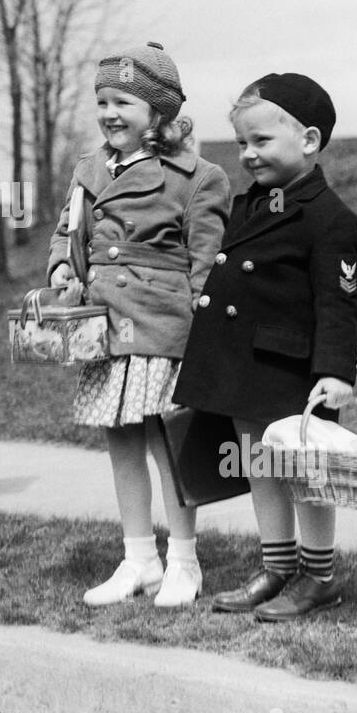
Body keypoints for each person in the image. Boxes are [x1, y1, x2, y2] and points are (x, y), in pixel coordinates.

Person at [172, 73, 357, 621]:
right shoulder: (250, 205)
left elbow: (339, 301)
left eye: (261, 141)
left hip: (295, 374)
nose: (248, 154)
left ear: (308, 140)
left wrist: (337, 371)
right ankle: (277, 568)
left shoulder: (329, 218)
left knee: (305, 475)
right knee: (260, 467)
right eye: (241, 144)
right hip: (243, 367)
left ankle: (319, 577)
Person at [47, 43, 229, 608]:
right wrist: (59, 265)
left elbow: (205, 266)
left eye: (123, 101)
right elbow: (67, 231)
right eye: (102, 101)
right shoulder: (90, 168)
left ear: (160, 112)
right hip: (103, 327)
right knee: (120, 439)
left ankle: (184, 561)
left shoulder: (197, 176)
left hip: (161, 329)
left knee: (167, 444)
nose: (109, 113)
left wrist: (203, 341)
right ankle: (139, 559)